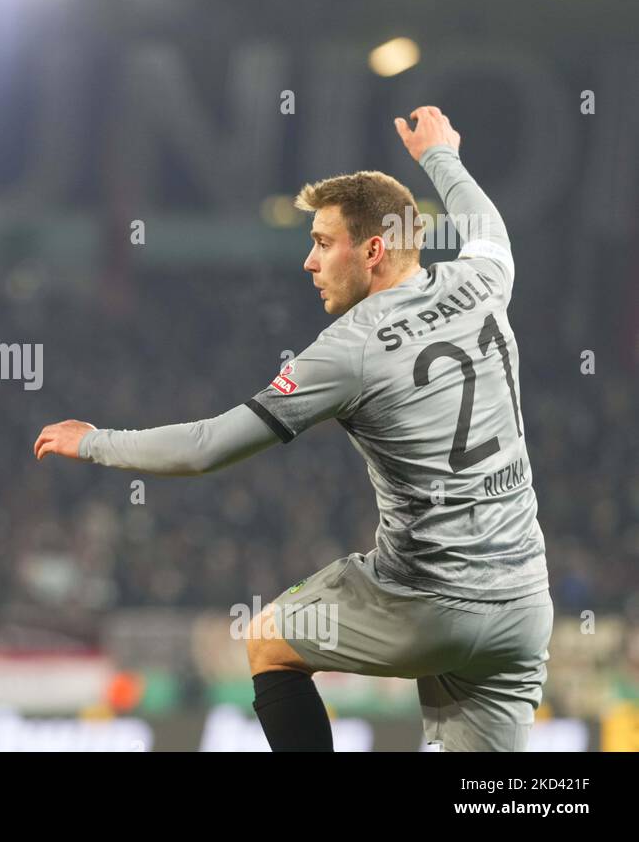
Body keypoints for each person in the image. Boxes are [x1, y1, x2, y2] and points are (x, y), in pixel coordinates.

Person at [35, 107, 551, 751]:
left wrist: (95, 441)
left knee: (268, 639)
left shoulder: (350, 347)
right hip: (524, 608)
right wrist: (440, 156)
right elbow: (487, 225)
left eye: (323, 242)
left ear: (372, 250)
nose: (308, 262)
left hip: (429, 605)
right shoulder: (482, 280)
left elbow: (208, 447)